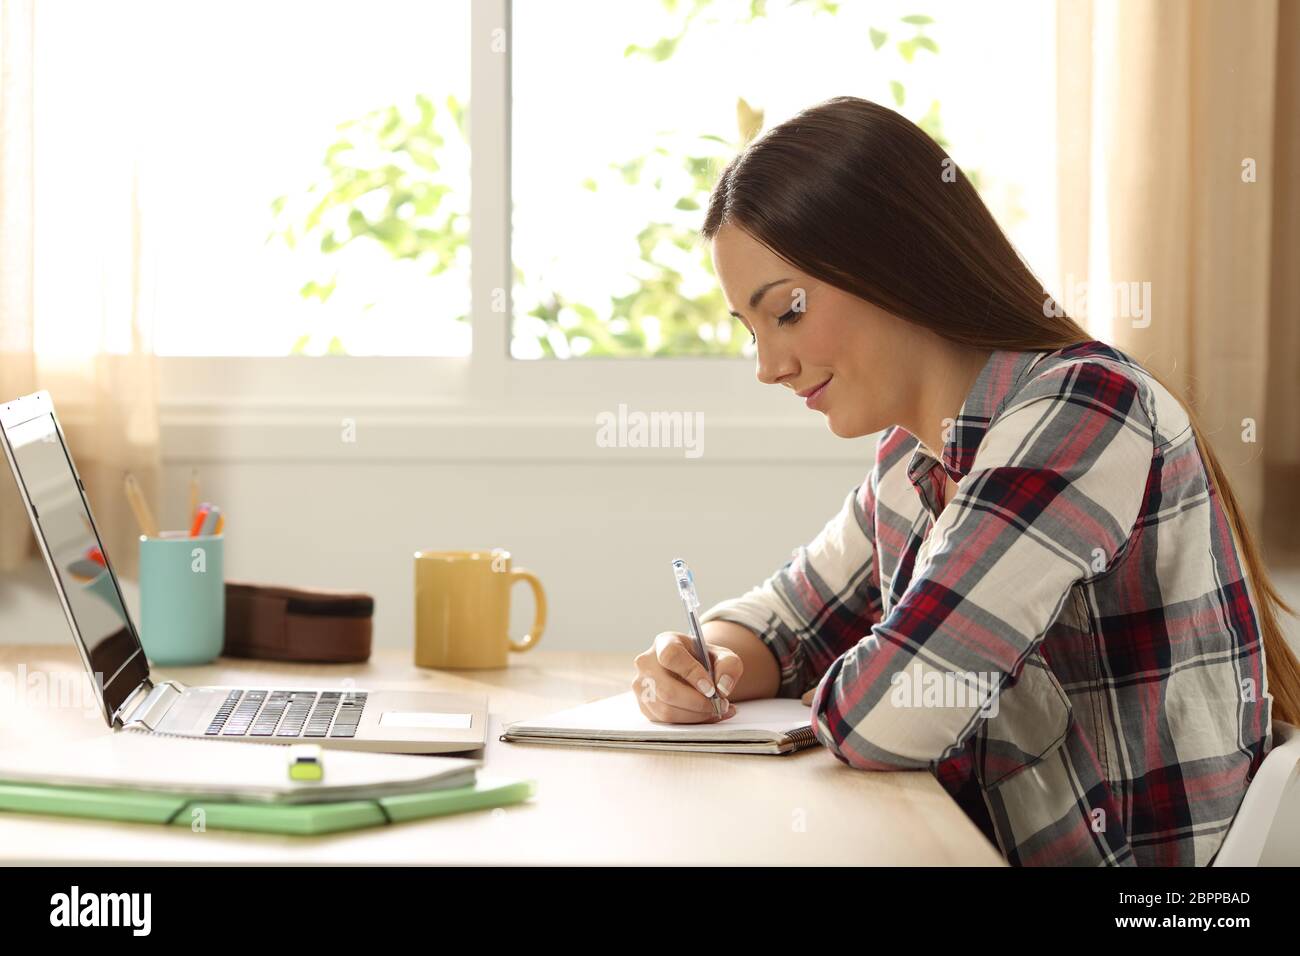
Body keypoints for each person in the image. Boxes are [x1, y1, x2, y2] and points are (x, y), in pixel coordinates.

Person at [632, 96, 1300, 866]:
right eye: (749, 332)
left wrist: (844, 679)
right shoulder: (911, 462)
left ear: (894, 262)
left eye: (787, 311)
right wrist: (703, 663)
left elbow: (887, 715)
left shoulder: (1086, 409)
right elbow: (784, 622)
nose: (768, 367)